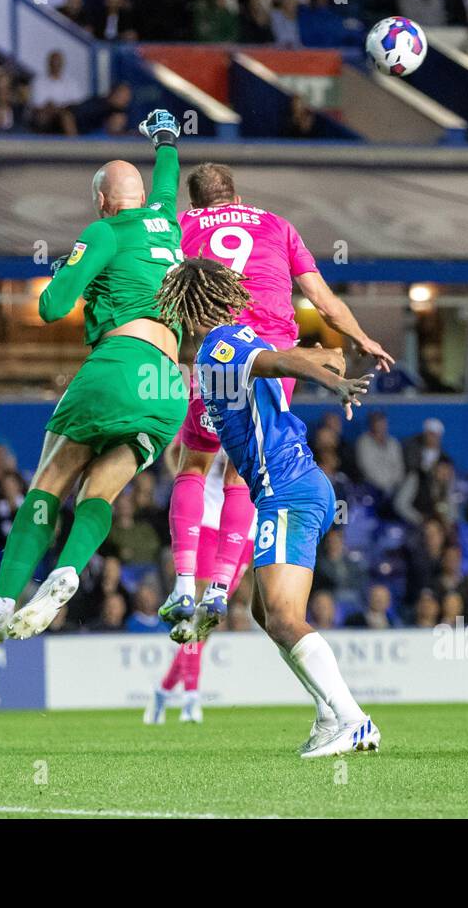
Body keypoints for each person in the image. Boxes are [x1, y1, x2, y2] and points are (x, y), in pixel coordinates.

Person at [0, 110, 191, 662]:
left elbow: (51, 306)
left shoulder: (104, 230)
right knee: (101, 493)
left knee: (48, 483)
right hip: (169, 384)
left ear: (103, 202)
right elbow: (167, 177)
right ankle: (67, 570)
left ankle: (1, 606)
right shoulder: (168, 220)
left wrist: (71, 266)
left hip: (118, 364)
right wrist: (163, 135)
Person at [157, 254, 378, 758]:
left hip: (287, 490)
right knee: (264, 610)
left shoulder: (218, 345)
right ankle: (329, 716)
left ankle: (354, 720)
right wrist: (330, 361)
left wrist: (332, 381)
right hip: (295, 486)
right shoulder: (234, 338)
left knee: (281, 615)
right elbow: (288, 355)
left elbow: (277, 362)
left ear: (190, 308)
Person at [163, 161, 393, 638]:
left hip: (215, 353)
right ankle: (221, 589)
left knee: (193, 464)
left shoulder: (182, 226)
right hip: (275, 356)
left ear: (196, 203)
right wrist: (361, 338)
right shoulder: (276, 225)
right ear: (237, 196)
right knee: (244, 474)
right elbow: (325, 303)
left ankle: (186, 582)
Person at [145, 450, 253, 725]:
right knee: (198, 614)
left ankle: (163, 690)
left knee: (207, 622)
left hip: (245, 529)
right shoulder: (212, 412)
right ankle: (191, 698)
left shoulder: (263, 417)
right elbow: (174, 451)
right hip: (207, 522)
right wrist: (187, 482)